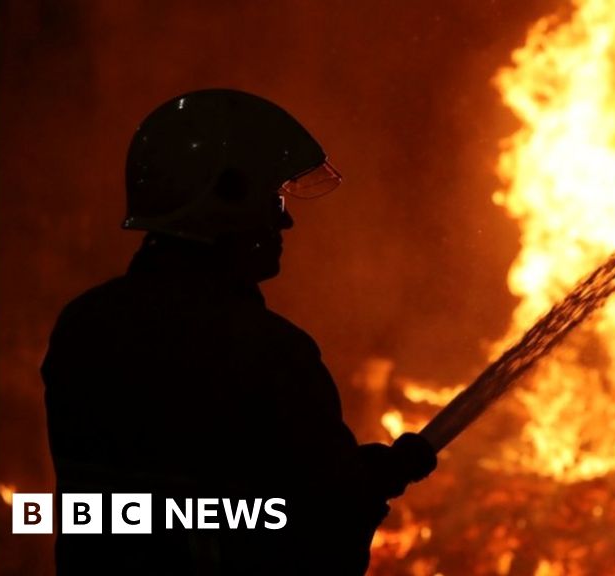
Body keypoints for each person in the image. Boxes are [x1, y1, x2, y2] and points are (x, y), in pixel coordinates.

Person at [41, 88, 436, 575]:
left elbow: (146, 504)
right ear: (223, 202)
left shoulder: (85, 326)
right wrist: (361, 490)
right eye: (272, 198)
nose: (284, 220)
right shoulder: (269, 354)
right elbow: (306, 543)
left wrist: (343, 482)